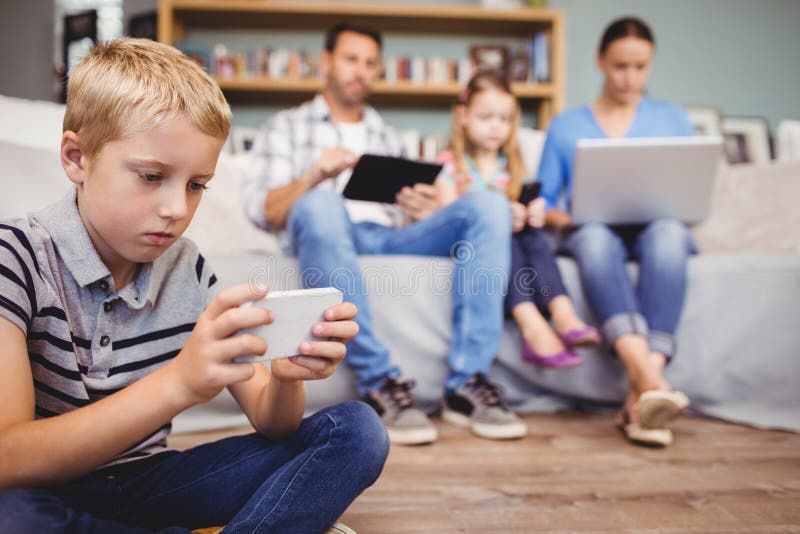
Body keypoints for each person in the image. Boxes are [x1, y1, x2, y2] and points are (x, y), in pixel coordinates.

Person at [0, 39, 388, 533]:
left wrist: (286, 375)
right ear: (77, 158)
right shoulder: (14, 256)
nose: (177, 209)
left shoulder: (188, 268)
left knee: (356, 432)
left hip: (151, 482)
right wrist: (179, 384)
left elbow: (274, 424)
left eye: (195, 185)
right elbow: (8, 458)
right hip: (44, 491)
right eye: (151, 176)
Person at [243, 23, 527, 443]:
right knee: (321, 202)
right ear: (326, 62)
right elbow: (264, 211)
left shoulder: (388, 136)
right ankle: (381, 383)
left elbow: (412, 219)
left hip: (389, 236)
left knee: (488, 203)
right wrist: (314, 176)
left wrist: (425, 211)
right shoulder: (286, 128)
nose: (361, 71)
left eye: (371, 63)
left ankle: (467, 385)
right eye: (351, 59)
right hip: (329, 234)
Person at [537, 17, 693, 447]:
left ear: (651, 65)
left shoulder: (674, 120)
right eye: (620, 66)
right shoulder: (566, 125)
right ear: (601, 62)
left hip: (657, 226)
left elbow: (693, 191)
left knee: (668, 233)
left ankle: (639, 395)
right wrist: (561, 216)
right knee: (593, 236)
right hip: (592, 228)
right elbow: (543, 201)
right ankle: (650, 383)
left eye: (641, 67)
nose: (630, 78)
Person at [435, 71, 600, 371]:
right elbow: (449, 216)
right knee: (503, 238)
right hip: (470, 243)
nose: (497, 126)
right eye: (486, 117)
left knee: (533, 235)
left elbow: (522, 205)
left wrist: (531, 213)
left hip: (517, 235)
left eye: (505, 118)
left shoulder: (511, 165)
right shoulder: (449, 164)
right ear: (463, 116)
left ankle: (562, 311)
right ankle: (531, 324)